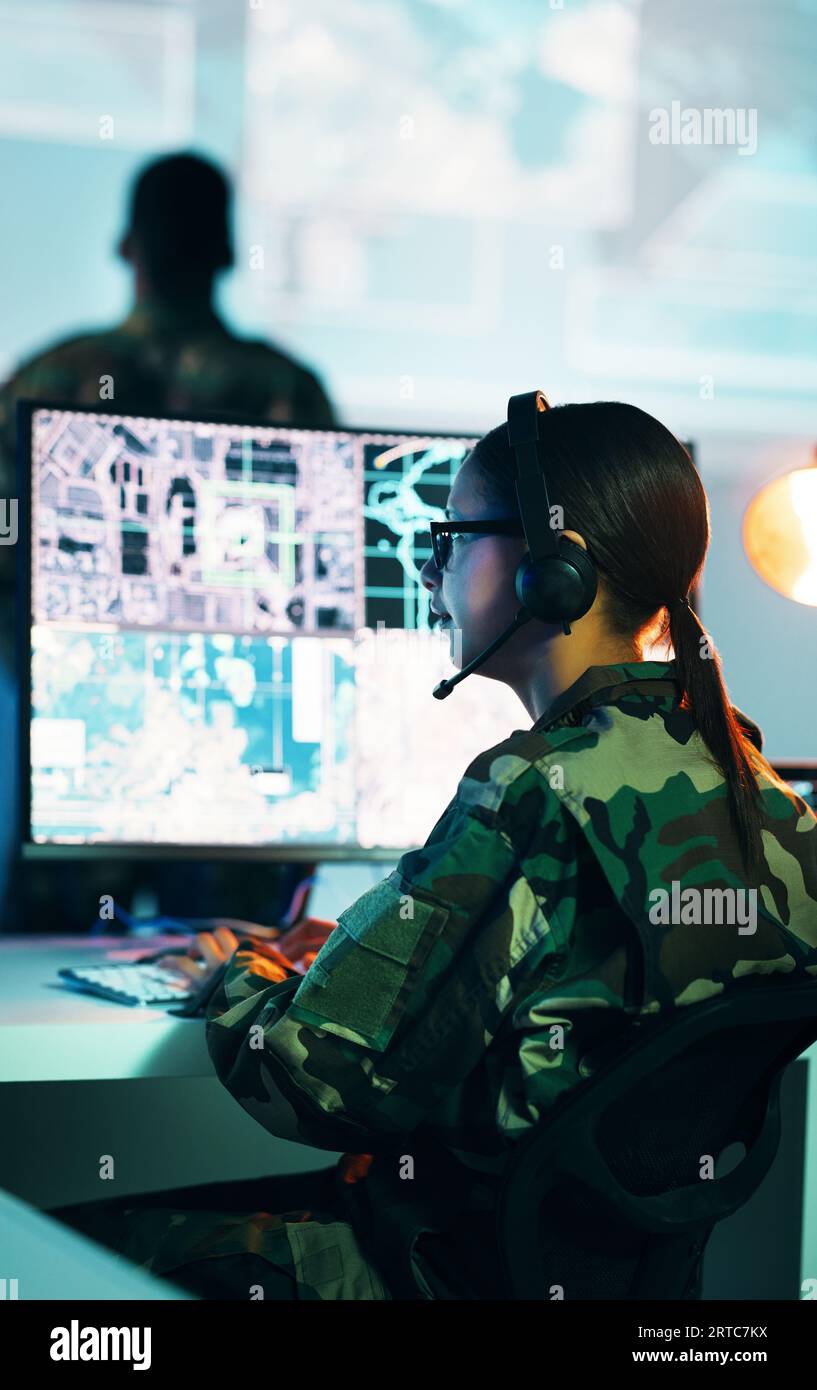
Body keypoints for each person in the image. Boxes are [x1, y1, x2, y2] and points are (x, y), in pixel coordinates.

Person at [52, 399, 817, 1300]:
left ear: (551, 570)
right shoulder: (766, 799)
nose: (432, 570)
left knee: (54, 1244)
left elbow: (313, 1086)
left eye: (451, 537)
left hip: (427, 1275)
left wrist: (234, 975)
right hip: (615, 1286)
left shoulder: (530, 787)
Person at [0, 150, 337, 675]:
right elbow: (327, 558)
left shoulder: (49, 378)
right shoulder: (288, 388)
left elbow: (5, 541)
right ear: (225, 253)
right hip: (241, 669)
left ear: (127, 247)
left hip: (60, 675)